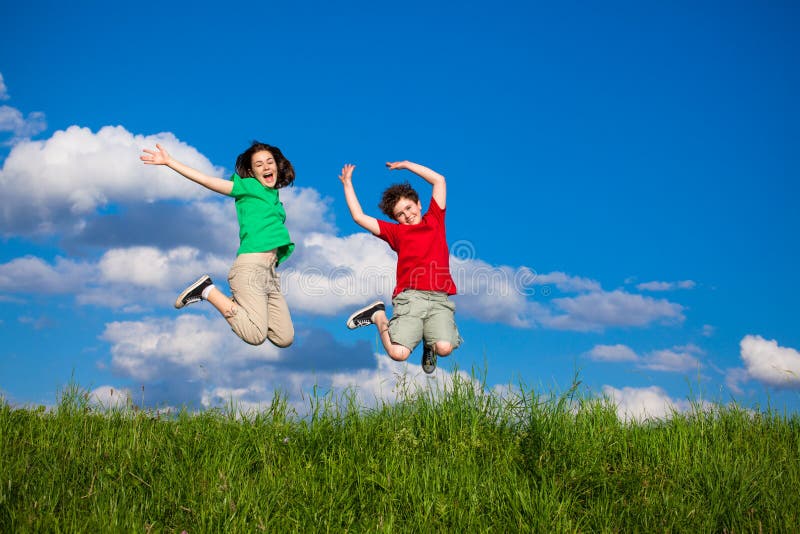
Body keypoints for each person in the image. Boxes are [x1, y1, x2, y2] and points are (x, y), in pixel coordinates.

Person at [140, 141, 295, 348]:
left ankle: (236, 302)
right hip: (250, 268)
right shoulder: (248, 187)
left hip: (270, 275)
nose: (266, 167)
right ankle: (207, 290)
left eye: (269, 162)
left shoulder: (274, 197)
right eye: (259, 165)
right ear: (251, 172)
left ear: (277, 165)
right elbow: (207, 180)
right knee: (255, 335)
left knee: (284, 338)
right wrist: (170, 162)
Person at [339, 160, 461, 373]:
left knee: (444, 348)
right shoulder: (396, 233)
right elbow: (359, 217)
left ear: (419, 204)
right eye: (400, 214)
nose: (407, 215)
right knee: (398, 353)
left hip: (440, 299)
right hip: (411, 298)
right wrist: (348, 184)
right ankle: (377, 315)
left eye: (409, 207)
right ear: (395, 219)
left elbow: (439, 180)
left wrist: (406, 165)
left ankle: (429, 343)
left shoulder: (435, 219)